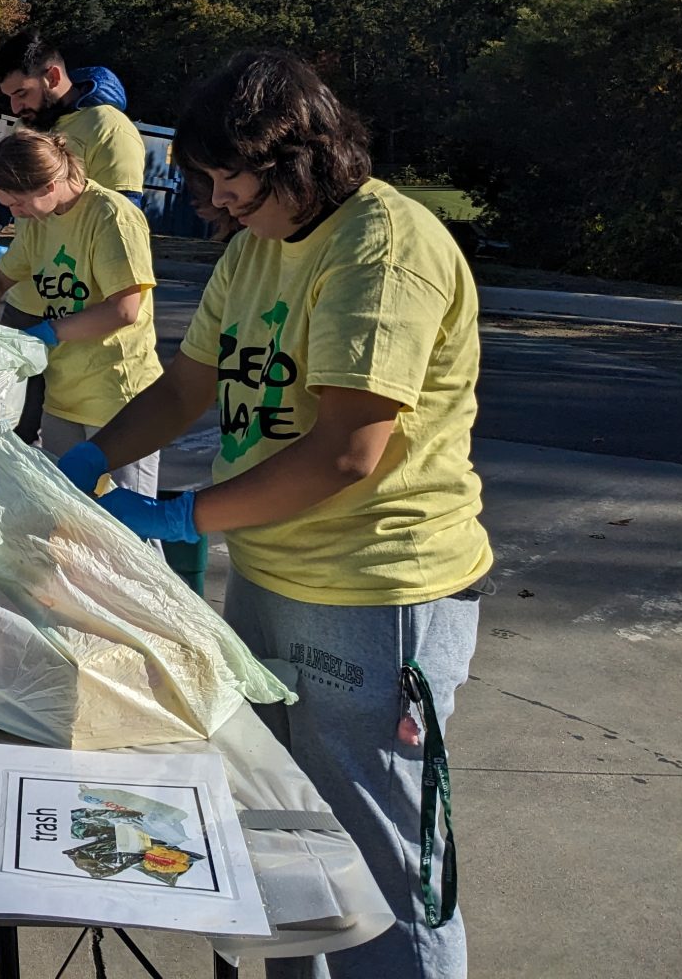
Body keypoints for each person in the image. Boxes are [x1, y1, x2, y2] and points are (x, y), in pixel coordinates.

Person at [58, 50, 490, 979]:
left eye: (228, 178)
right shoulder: (257, 248)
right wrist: (89, 461)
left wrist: (182, 517)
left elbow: (348, 452)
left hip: (377, 594)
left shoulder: (383, 248)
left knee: (380, 865)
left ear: (296, 153)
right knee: (287, 840)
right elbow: (184, 388)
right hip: (270, 578)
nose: (216, 202)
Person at [0, 129, 162, 494]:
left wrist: (51, 331)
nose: (14, 213)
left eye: (18, 203)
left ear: (50, 185)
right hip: (63, 397)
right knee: (67, 524)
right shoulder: (38, 222)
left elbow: (125, 309)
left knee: (129, 532)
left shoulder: (111, 217)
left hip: (117, 398)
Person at [0, 28, 147, 279]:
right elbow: (0, 196)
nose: (15, 108)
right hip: (30, 292)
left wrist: (31, 261)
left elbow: (119, 222)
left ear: (53, 76)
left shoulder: (109, 128)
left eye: (21, 94)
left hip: (81, 296)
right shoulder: (27, 126)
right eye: (9, 97)